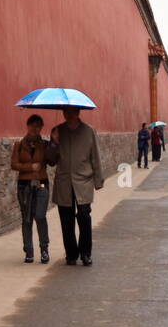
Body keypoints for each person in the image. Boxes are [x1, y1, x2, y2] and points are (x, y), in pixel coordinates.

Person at [51, 107, 104, 266]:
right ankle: (71, 254)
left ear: (78, 112)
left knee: (84, 216)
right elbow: (51, 160)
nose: (68, 114)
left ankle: (86, 253)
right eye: (65, 111)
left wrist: (98, 179)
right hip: (64, 181)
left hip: (83, 181)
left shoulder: (89, 131)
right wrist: (53, 142)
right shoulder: (58, 131)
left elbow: (95, 155)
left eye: (71, 111)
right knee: (66, 220)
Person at [10, 114, 56, 263]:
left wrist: (54, 144)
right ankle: (28, 251)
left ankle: (44, 249)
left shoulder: (45, 144)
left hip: (41, 183)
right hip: (24, 185)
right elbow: (14, 165)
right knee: (27, 218)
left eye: (38, 126)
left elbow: (52, 162)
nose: (35, 129)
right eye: (32, 125)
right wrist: (30, 167)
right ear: (27, 126)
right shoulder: (19, 145)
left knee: (40, 216)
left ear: (42, 128)